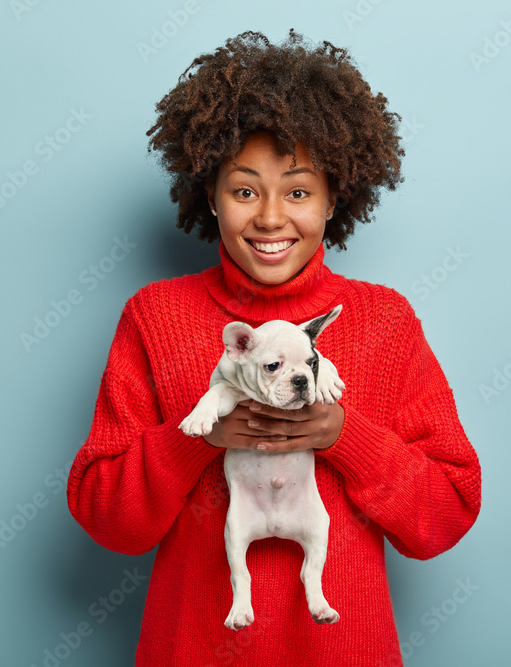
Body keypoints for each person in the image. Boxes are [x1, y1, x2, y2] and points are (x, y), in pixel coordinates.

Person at [66, 29, 481, 666]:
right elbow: (105, 516)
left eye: (297, 190)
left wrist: (343, 435)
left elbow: (447, 514)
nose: (268, 218)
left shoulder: (385, 320)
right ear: (210, 195)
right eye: (243, 190)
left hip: (345, 650)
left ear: (333, 198)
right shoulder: (154, 316)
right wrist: (199, 437)